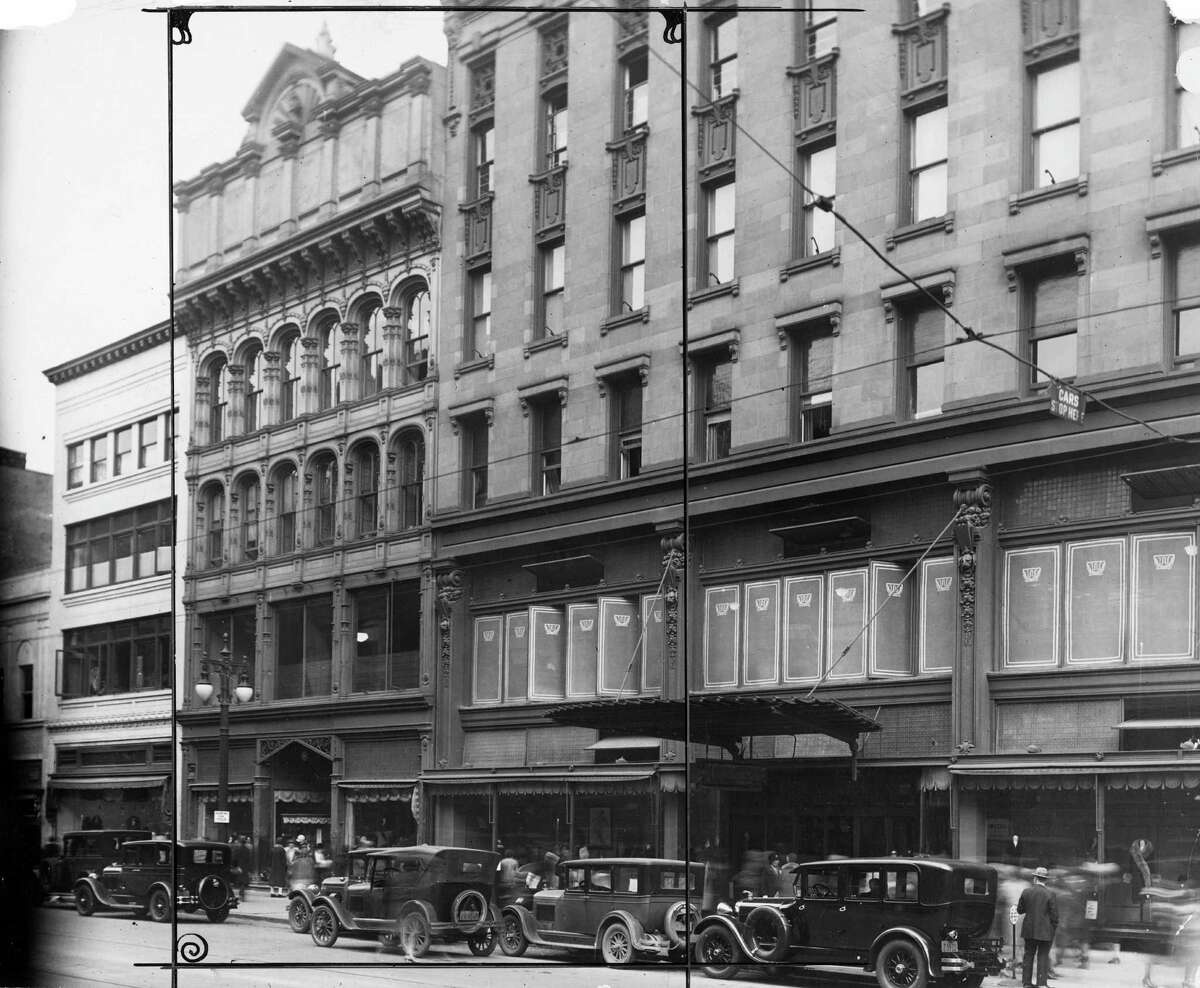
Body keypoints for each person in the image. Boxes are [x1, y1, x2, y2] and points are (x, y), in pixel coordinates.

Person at [1017, 865, 1059, 988]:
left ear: (1035, 878)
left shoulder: (1026, 892)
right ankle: (1041, 983)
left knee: (1028, 955)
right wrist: (1053, 928)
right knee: (1043, 956)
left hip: (1029, 930)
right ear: (1046, 880)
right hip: (1045, 931)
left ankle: (1026, 983)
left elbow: (1020, 910)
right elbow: (1054, 915)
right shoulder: (1051, 894)